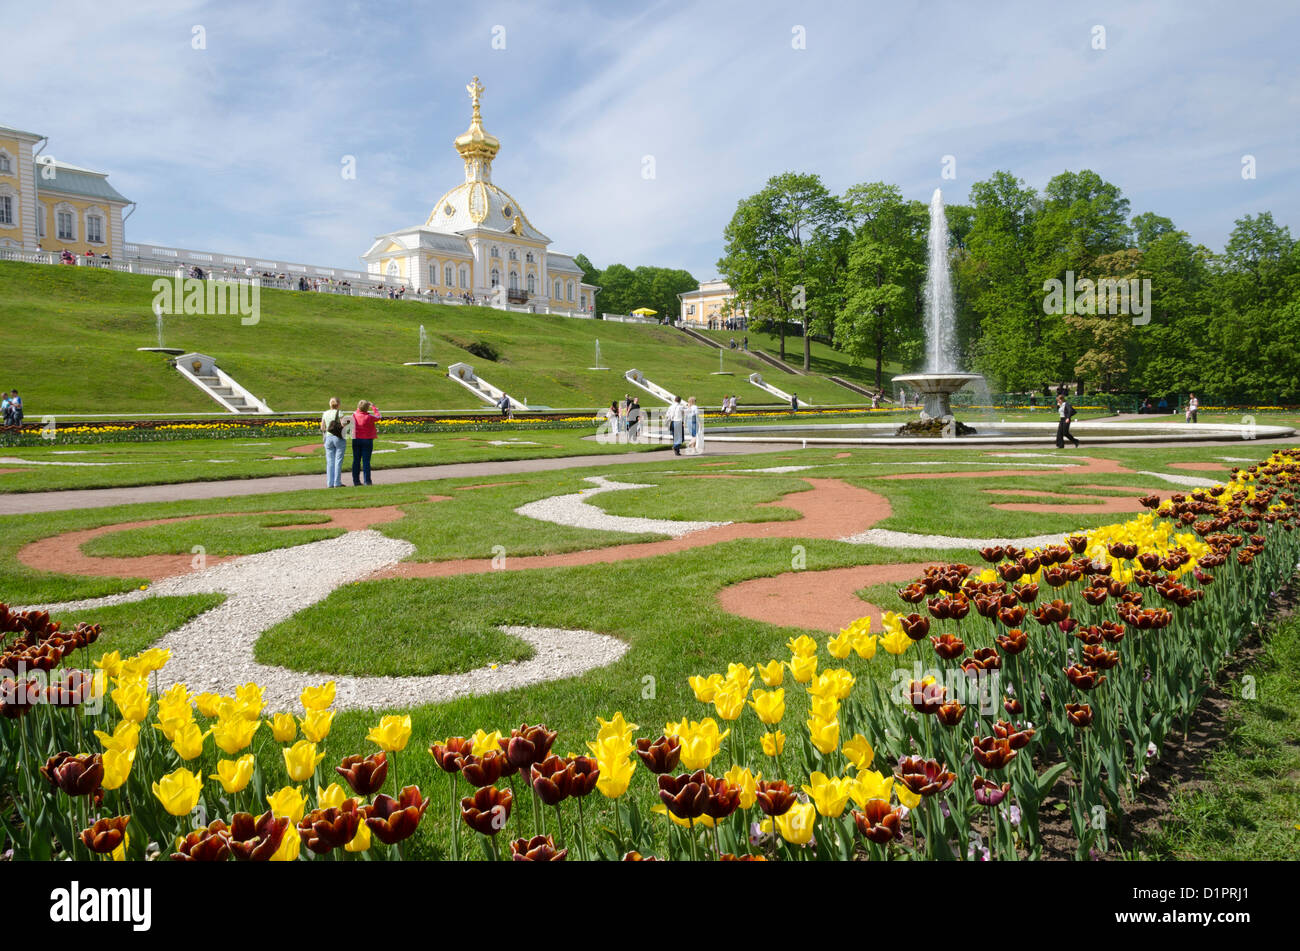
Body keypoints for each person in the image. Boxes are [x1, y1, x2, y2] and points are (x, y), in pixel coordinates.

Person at [320, 397, 350, 488]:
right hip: (338, 437)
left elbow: (322, 427)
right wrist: (348, 422)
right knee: (338, 460)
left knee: (330, 461)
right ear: (338, 404)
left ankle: (330, 483)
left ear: (330, 404)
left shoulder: (325, 413)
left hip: (328, 437)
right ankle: (337, 482)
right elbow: (342, 424)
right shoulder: (339, 412)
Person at [351, 399, 381, 486]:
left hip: (356, 440)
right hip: (367, 440)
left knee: (356, 460)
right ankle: (367, 481)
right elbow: (379, 417)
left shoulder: (354, 415)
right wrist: (374, 407)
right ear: (367, 408)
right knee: (366, 461)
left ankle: (356, 481)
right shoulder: (369, 417)